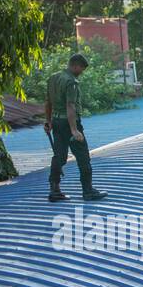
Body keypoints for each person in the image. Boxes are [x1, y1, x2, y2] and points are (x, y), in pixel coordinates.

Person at [45, 53, 106, 202]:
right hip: (70, 123)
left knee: (59, 156)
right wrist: (74, 130)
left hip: (57, 123)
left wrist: (48, 121)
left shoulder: (53, 78)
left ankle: (54, 190)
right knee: (83, 157)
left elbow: (48, 102)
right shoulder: (71, 82)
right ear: (75, 65)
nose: (81, 72)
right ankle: (88, 191)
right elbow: (70, 105)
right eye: (81, 69)